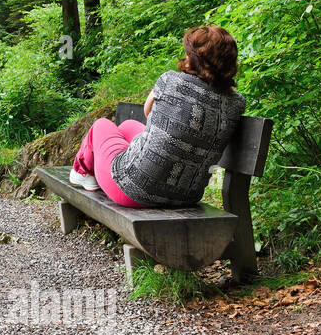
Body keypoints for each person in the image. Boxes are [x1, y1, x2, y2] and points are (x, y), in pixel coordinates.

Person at [69, 25, 247, 208]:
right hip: (187, 196)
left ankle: (83, 172)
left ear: (193, 58)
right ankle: (100, 169)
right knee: (127, 126)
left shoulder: (170, 80)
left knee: (101, 125)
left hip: (132, 190)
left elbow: (147, 111)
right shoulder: (236, 102)